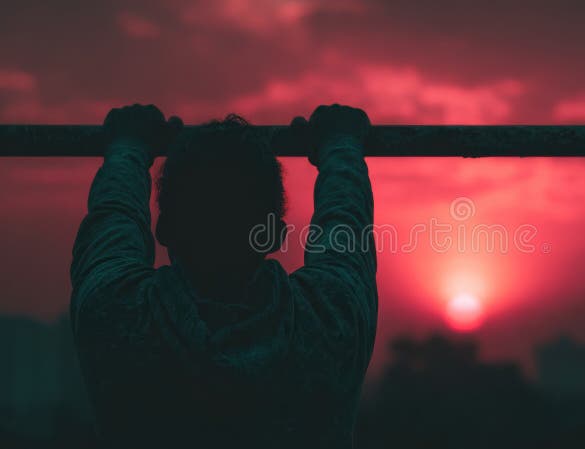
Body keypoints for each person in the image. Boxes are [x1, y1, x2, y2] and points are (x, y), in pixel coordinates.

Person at [70, 103, 378, 448]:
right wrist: (341, 145)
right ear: (274, 234)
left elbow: (114, 219)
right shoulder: (331, 321)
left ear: (164, 227)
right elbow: (345, 225)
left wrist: (128, 146)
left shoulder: (115, 315)